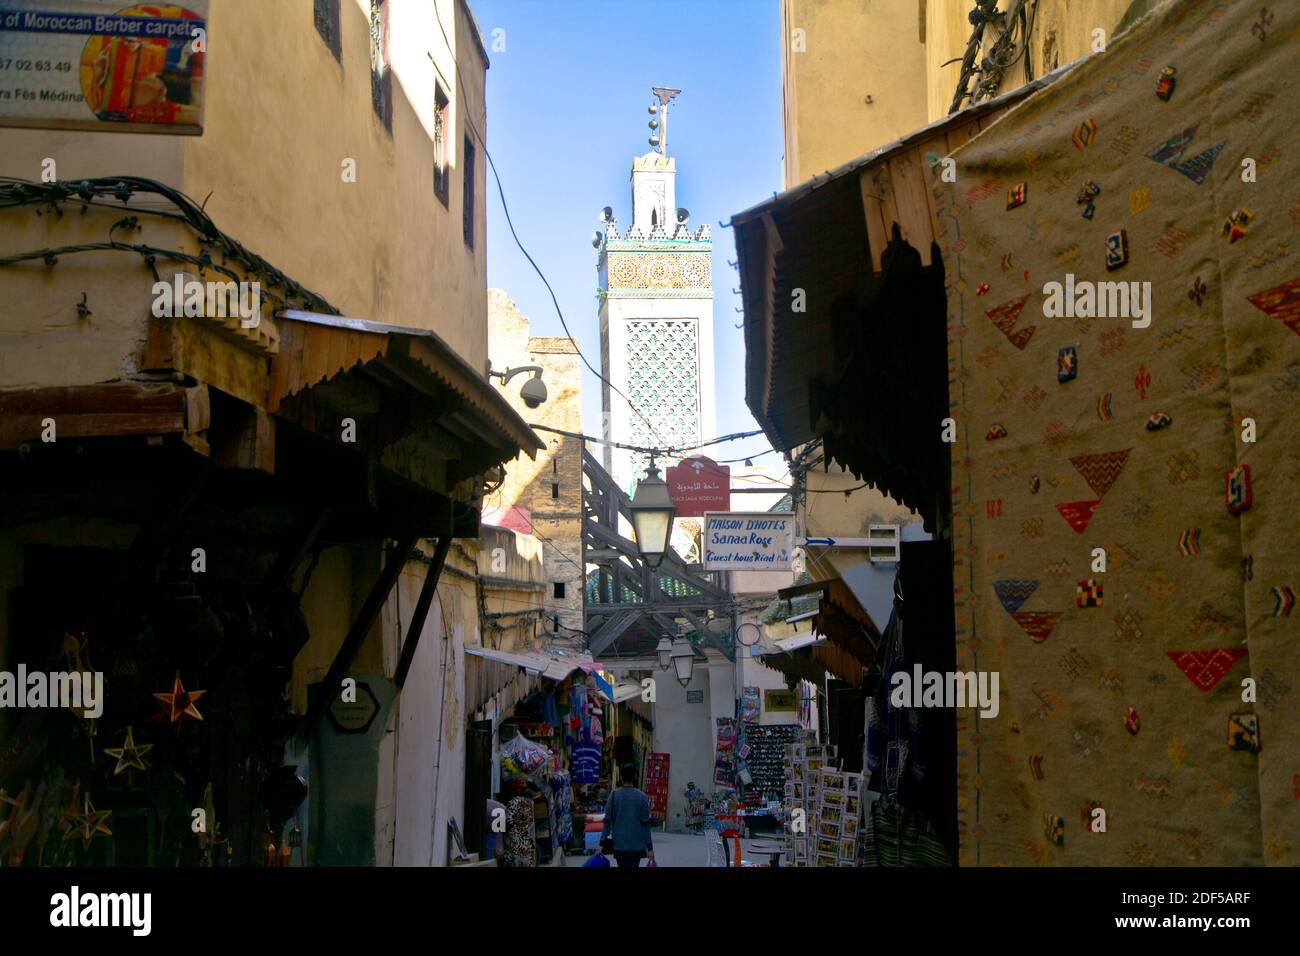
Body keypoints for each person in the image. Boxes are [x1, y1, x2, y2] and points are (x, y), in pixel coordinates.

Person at [601, 763, 655, 868]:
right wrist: (650, 848)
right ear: (635, 777)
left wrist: (601, 843)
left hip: (619, 844)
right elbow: (645, 825)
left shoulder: (614, 795)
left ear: (621, 778)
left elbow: (607, 821)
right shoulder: (642, 797)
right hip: (636, 845)